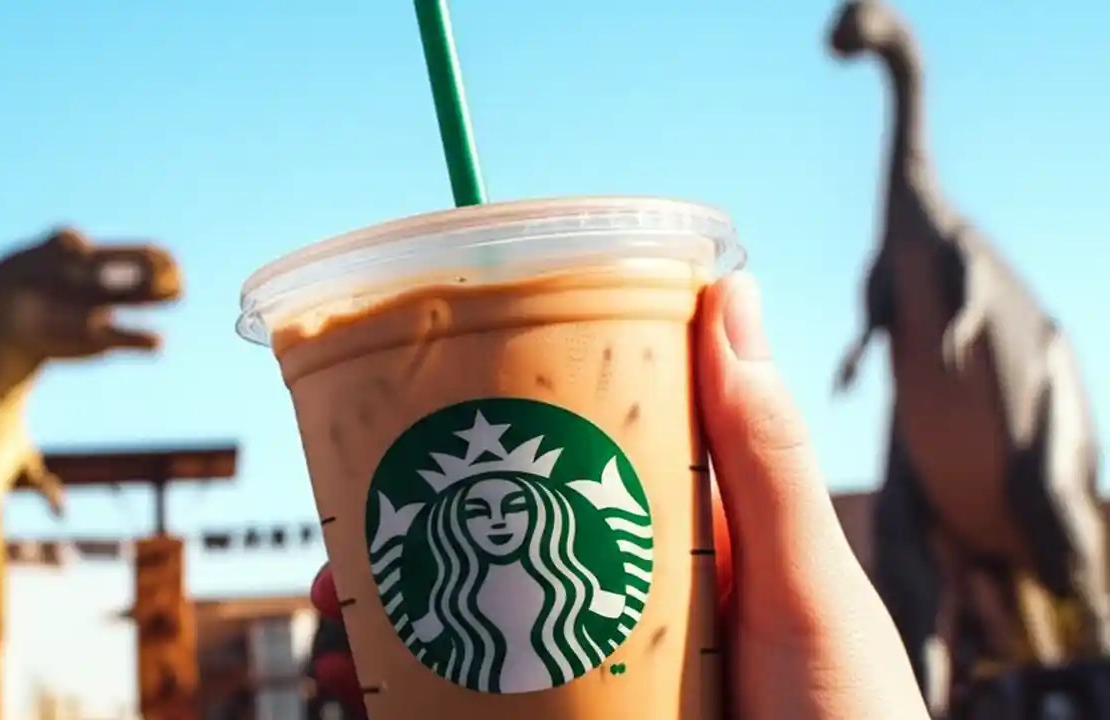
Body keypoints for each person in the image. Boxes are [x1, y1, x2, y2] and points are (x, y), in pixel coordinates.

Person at [307, 271, 932, 719]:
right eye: (476, 507)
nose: (497, 520)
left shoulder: (587, 597)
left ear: (549, 512)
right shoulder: (451, 613)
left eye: (516, 503)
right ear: (450, 523)